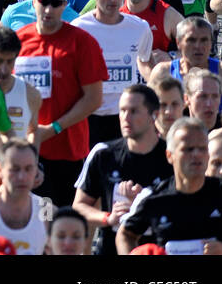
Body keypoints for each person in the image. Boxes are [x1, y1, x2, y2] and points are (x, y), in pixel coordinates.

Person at [14, 0, 107, 206]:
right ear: (33, 1)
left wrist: (53, 128)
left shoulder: (82, 42)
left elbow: (93, 98)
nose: (48, 9)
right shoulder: (17, 41)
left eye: (56, 4)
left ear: (64, 6)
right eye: (43, 1)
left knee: (65, 225)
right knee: (33, 224)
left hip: (68, 152)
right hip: (26, 151)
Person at [117, 117, 222, 254]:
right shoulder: (153, 197)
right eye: (188, 149)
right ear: (169, 156)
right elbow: (125, 235)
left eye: (202, 149)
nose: (196, 155)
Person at [73, 84, 173, 256]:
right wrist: (108, 218)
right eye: (122, 111)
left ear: (154, 116)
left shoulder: (172, 157)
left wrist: (142, 204)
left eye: (134, 111)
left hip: (158, 251)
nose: (126, 117)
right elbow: (79, 206)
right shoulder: (103, 154)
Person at [73, 0, 156, 144]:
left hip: (125, 116)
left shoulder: (139, 27)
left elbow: (146, 63)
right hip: (89, 117)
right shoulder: (78, 29)